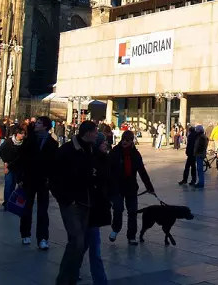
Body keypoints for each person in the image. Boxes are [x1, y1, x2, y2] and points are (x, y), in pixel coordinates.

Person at [51, 120, 99, 285]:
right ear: (87, 133)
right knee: (77, 241)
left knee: (82, 242)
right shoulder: (67, 150)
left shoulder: (91, 150)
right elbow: (53, 176)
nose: (97, 134)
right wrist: (64, 198)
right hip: (71, 202)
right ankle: (63, 279)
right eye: (95, 132)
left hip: (85, 202)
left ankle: (71, 276)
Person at [108, 130, 155, 245]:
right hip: (117, 187)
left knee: (132, 212)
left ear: (131, 141)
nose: (124, 142)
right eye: (123, 139)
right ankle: (116, 229)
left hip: (131, 188)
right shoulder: (115, 152)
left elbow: (142, 171)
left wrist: (149, 187)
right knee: (118, 210)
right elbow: (108, 170)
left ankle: (131, 236)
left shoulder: (135, 154)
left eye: (127, 140)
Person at [18, 116, 59, 250]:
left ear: (46, 126)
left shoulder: (52, 143)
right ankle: (25, 233)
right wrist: (20, 178)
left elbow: (54, 164)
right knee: (26, 207)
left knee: (43, 210)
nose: (36, 124)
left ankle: (42, 238)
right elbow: (22, 159)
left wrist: (51, 180)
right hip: (29, 179)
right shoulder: (30, 140)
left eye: (40, 123)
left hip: (43, 181)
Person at [82, 133, 110, 285]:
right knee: (93, 247)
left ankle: (74, 268)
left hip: (97, 208)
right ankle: (100, 280)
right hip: (89, 208)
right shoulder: (91, 162)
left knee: (87, 244)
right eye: (104, 143)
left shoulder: (105, 159)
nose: (106, 145)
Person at [0, 125, 26, 209]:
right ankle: (7, 202)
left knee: (19, 185)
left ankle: (15, 202)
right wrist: (6, 165)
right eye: (21, 134)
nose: (23, 135)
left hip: (20, 167)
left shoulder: (24, 143)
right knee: (9, 185)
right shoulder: (8, 142)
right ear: (16, 134)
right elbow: (2, 153)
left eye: (24, 134)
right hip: (10, 166)